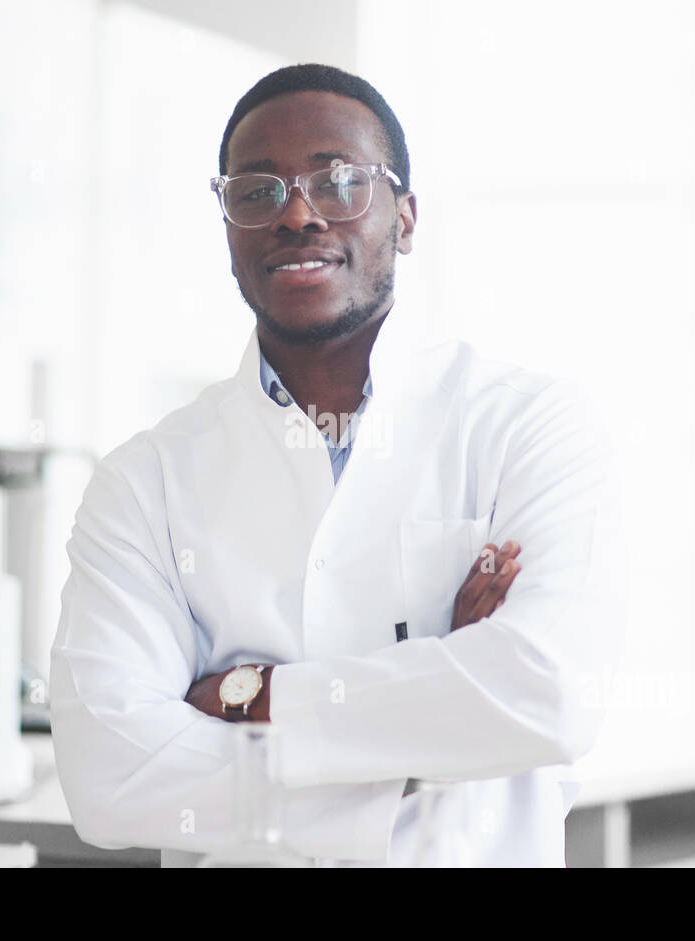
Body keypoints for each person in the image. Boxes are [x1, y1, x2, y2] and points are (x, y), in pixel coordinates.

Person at [49, 63, 627, 866]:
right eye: (256, 191)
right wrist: (438, 734)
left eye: (339, 180)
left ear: (407, 217)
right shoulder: (142, 483)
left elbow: (551, 694)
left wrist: (252, 700)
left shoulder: (529, 425)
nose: (295, 213)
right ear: (227, 228)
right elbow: (113, 775)